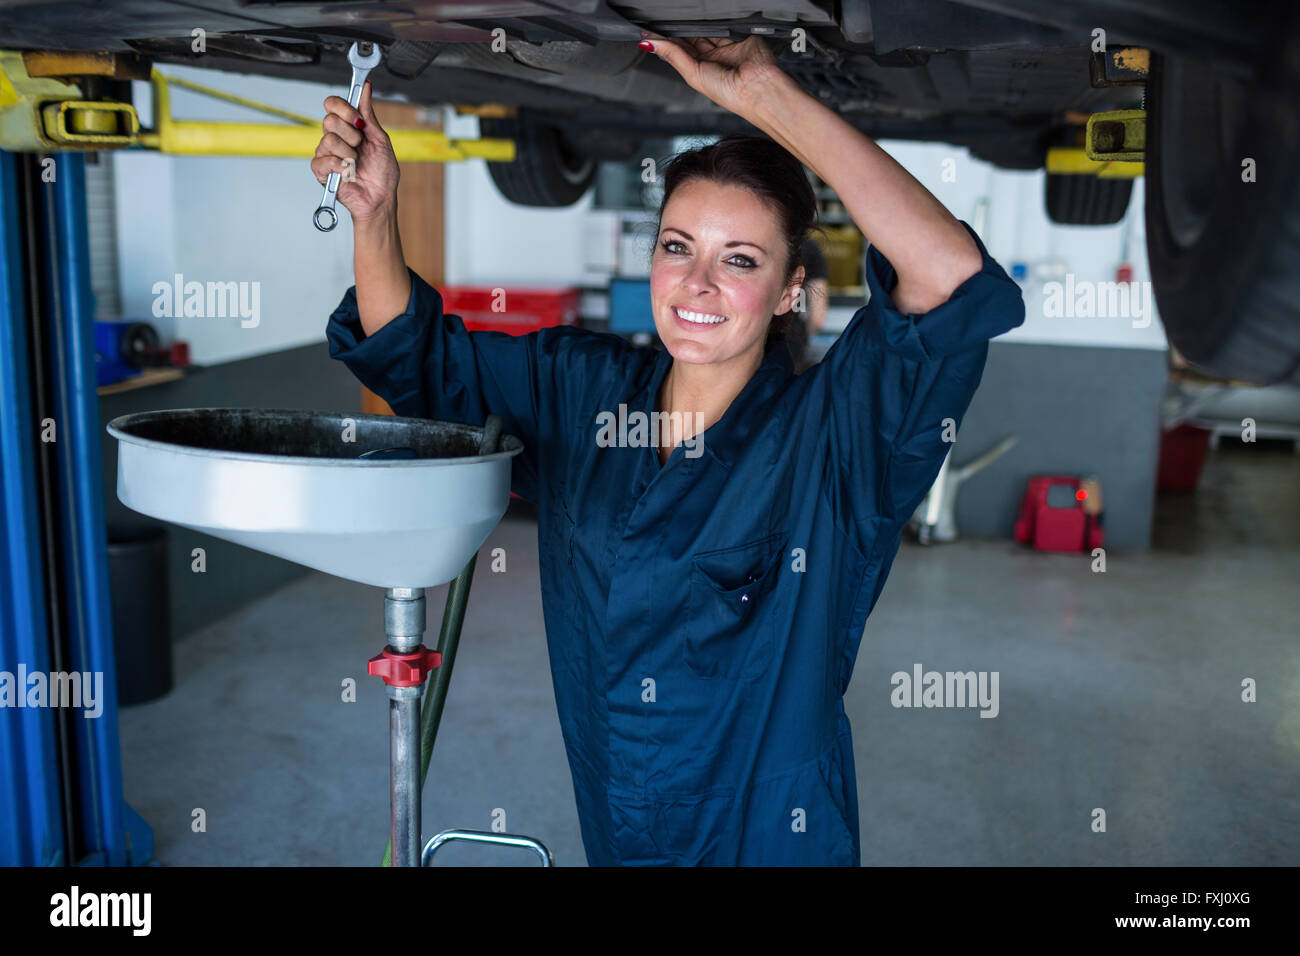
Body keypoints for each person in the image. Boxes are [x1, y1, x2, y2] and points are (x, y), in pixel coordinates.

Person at [315, 32, 1024, 865]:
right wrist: (375, 214)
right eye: (678, 247)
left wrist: (768, 98)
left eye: (741, 260)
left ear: (792, 288)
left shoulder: (833, 441)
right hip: (617, 827)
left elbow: (951, 278)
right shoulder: (582, 391)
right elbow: (418, 358)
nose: (698, 285)